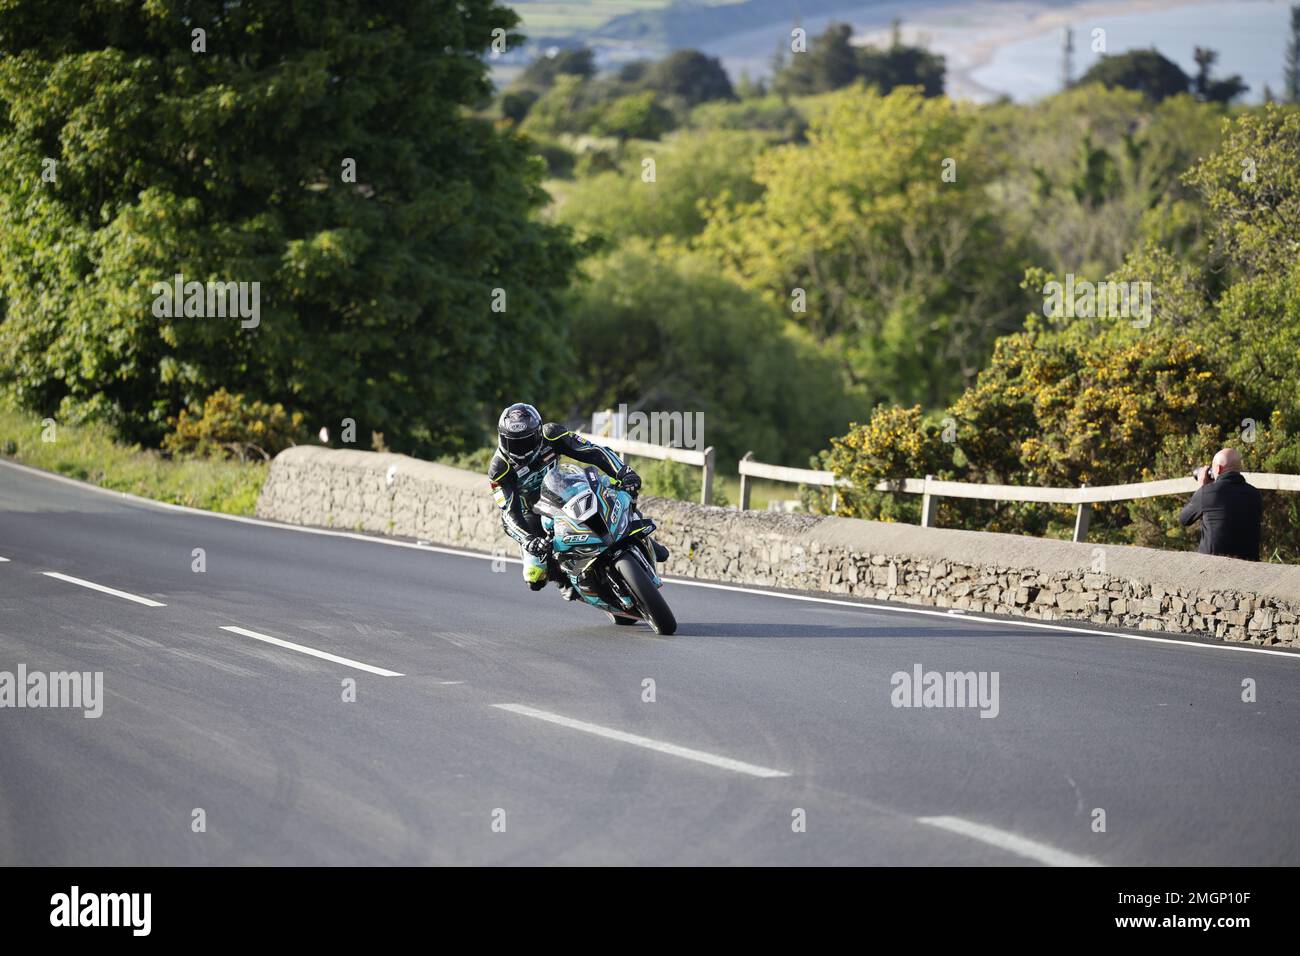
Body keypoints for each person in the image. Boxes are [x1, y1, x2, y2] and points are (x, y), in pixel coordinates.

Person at [488, 403, 669, 598]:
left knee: (615, 490)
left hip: (563, 487)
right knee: (535, 577)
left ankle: (641, 535)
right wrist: (528, 539)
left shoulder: (552, 434)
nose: (521, 449)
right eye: (513, 443)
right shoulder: (500, 469)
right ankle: (564, 581)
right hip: (531, 511)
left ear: (538, 433)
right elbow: (508, 513)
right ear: (501, 438)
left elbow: (593, 452)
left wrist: (624, 472)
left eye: (526, 441)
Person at [1179, 447, 1262, 560]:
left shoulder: (1207, 492)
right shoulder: (1255, 494)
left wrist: (1202, 488)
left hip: (1213, 564)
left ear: (1218, 469)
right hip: (1249, 563)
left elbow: (1184, 519)